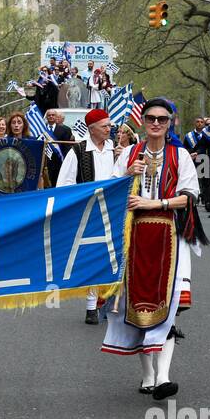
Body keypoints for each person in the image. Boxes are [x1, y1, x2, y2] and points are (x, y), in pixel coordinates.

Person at [101, 98, 205, 399]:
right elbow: (108, 193)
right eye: (151, 118)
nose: (156, 123)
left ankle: (163, 377)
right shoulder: (130, 154)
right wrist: (125, 176)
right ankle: (148, 376)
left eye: (162, 119)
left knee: (170, 306)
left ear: (170, 122)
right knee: (136, 307)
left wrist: (155, 203)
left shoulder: (180, 155)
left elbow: (188, 197)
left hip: (170, 236)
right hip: (133, 237)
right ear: (143, 121)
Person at [56, 108, 118, 324]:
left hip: (115, 211)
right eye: (105, 126)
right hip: (90, 213)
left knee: (115, 257)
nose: (109, 129)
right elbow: (64, 184)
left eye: (110, 125)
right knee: (94, 257)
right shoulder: (78, 151)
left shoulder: (115, 150)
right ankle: (91, 307)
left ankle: (111, 303)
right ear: (92, 129)